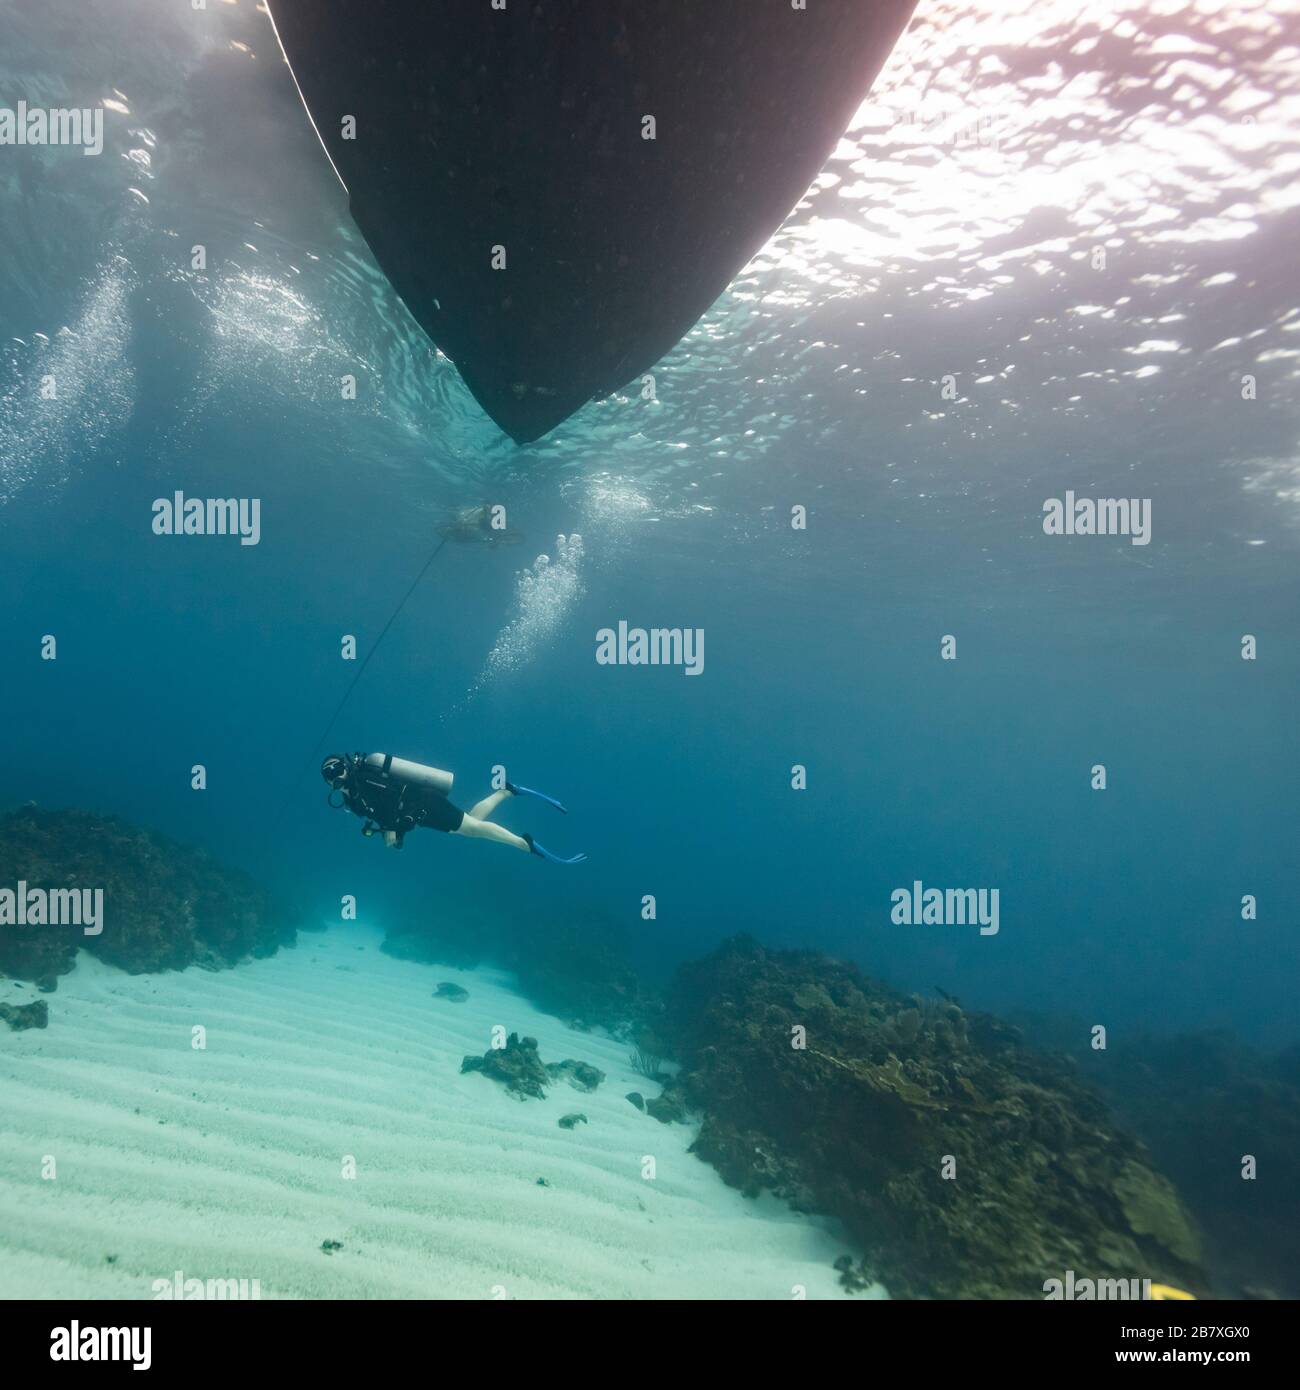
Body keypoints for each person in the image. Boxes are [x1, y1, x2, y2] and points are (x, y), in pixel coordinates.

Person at [320, 752, 587, 863]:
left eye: (337, 769)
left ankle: (524, 844)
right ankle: (507, 791)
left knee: (471, 828)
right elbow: (384, 813)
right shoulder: (352, 799)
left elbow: (395, 798)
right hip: (419, 813)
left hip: (424, 803)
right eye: (329, 775)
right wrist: (395, 831)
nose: (335, 776)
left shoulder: (365, 780)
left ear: (346, 767)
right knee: (468, 825)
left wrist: (392, 828)